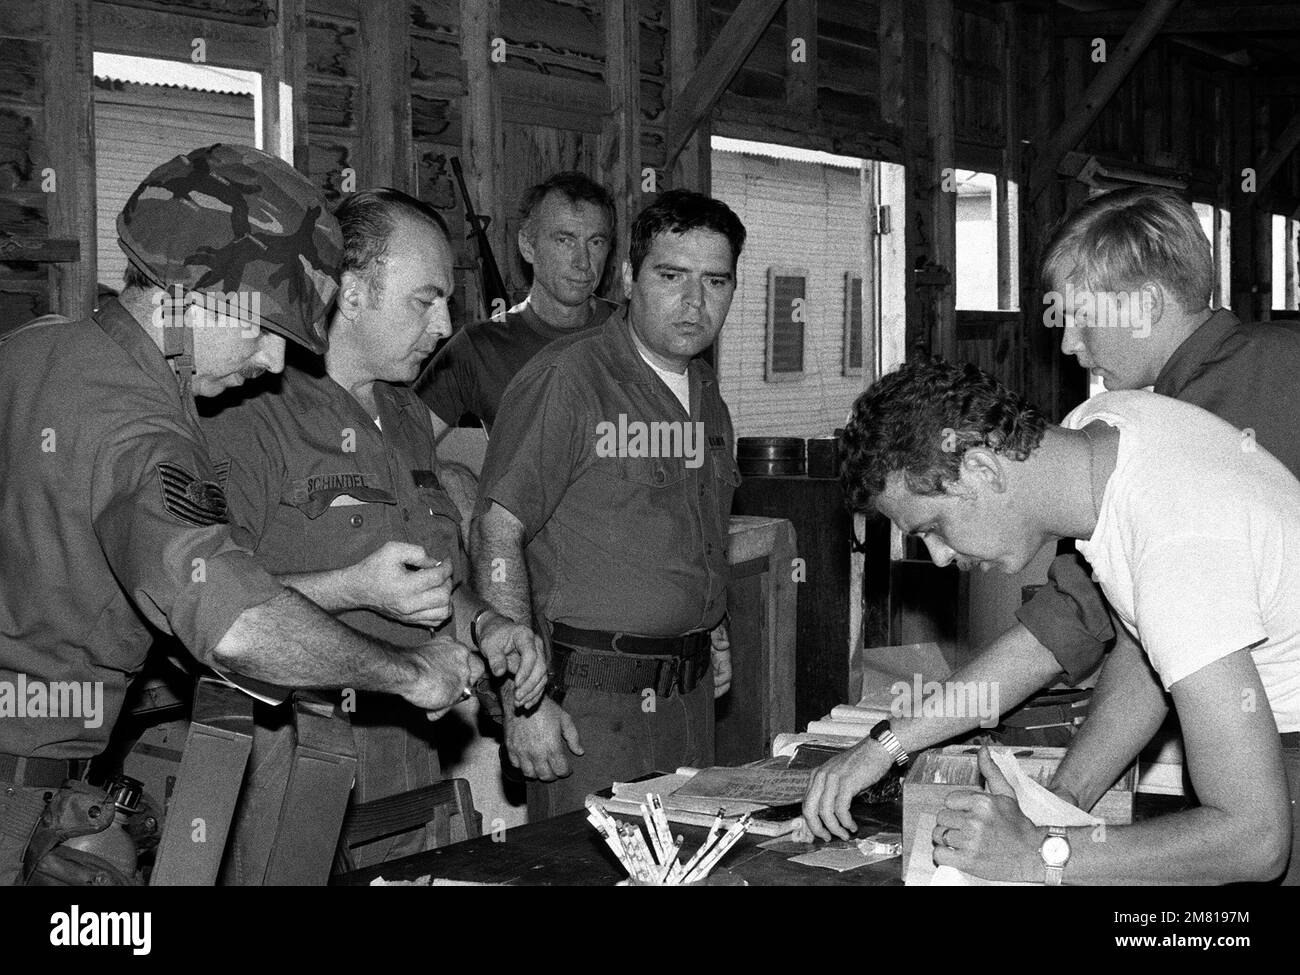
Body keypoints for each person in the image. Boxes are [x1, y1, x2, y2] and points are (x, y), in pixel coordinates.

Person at [0, 145, 494, 886]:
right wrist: (407, 671)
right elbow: (240, 629)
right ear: (189, 292)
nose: (271, 362)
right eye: (264, 329)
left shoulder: (37, 347)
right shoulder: (144, 436)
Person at [803, 187, 1300, 841]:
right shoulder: (1122, 420)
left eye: (1079, 317)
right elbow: (1136, 638)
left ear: (1146, 304)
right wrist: (1059, 804)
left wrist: (1043, 851)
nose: (1067, 343)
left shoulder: (1194, 430)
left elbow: (1063, 630)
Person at [841, 357, 1299, 884]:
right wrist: (1061, 801)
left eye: (934, 526)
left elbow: (1255, 841)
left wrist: (1037, 853)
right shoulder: (1103, 428)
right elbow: (1146, 651)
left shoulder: (1177, 546)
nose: (940, 556)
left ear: (983, 469)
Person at [200, 188, 547, 880]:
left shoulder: (409, 416)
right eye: (425, 300)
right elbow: (207, 609)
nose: (445, 323)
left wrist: (485, 629)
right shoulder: (251, 409)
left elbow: (429, 589)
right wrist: (352, 588)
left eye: (446, 300)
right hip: (288, 746)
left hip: (411, 739)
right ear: (352, 292)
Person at [471, 189, 746, 818]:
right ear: (628, 277)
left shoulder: (705, 393)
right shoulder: (569, 379)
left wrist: (712, 623)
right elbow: (496, 533)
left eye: (715, 281)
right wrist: (525, 702)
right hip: (590, 703)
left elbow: (694, 527)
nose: (694, 302)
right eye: (671, 276)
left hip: (690, 695)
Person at [415, 171, 615, 436]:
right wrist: (450, 473)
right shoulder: (480, 347)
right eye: (565, 240)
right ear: (528, 246)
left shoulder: (635, 333)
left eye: (596, 242)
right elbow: (400, 444)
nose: (583, 261)